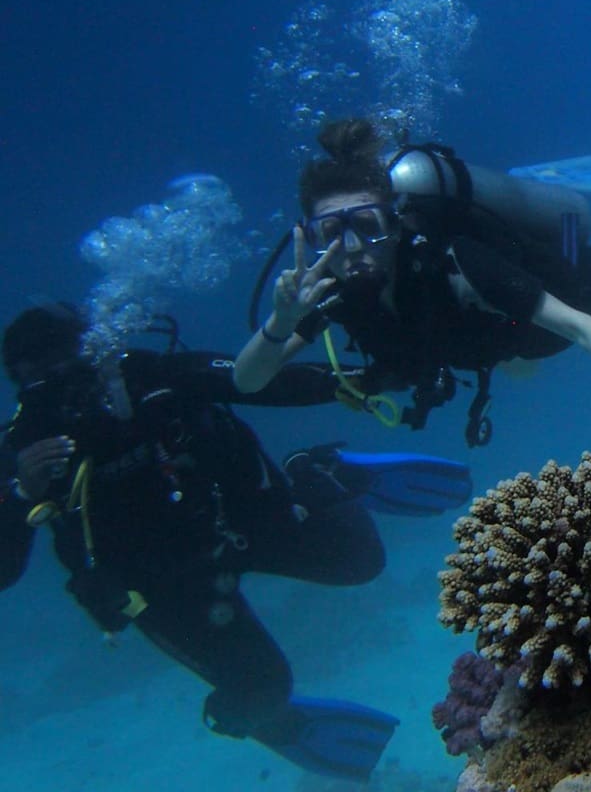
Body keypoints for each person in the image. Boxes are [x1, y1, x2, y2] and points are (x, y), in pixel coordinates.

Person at [0, 304, 470, 779]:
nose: (60, 387)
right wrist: (21, 494)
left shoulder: (150, 378)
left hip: (242, 525)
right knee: (258, 695)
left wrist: (364, 380)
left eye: (67, 363)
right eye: (36, 378)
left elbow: (258, 380)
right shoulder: (20, 449)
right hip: (164, 588)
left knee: (361, 560)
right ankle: (269, 719)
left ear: (95, 350)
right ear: (20, 387)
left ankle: (315, 470)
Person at [233, 117, 591, 436]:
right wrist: (281, 322)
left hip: (560, 286)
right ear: (310, 237)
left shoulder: (458, 260)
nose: (353, 248)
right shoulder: (323, 294)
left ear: (397, 221)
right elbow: (247, 381)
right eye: (331, 233)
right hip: (507, 338)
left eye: (367, 225)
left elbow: (577, 325)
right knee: (520, 363)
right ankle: (544, 201)